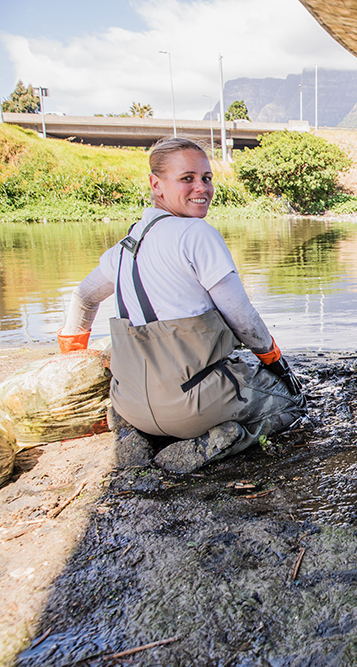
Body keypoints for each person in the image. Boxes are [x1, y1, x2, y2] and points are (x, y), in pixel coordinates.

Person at [57, 137, 305, 473]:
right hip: (194, 407)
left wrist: (70, 364)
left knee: (148, 404)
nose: (201, 188)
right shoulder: (195, 233)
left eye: (207, 178)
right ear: (155, 184)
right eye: (187, 178)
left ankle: (134, 434)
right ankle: (217, 442)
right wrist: (273, 360)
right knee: (293, 405)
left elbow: (83, 297)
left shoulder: (124, 247)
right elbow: (242, 318)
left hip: (129, 402)